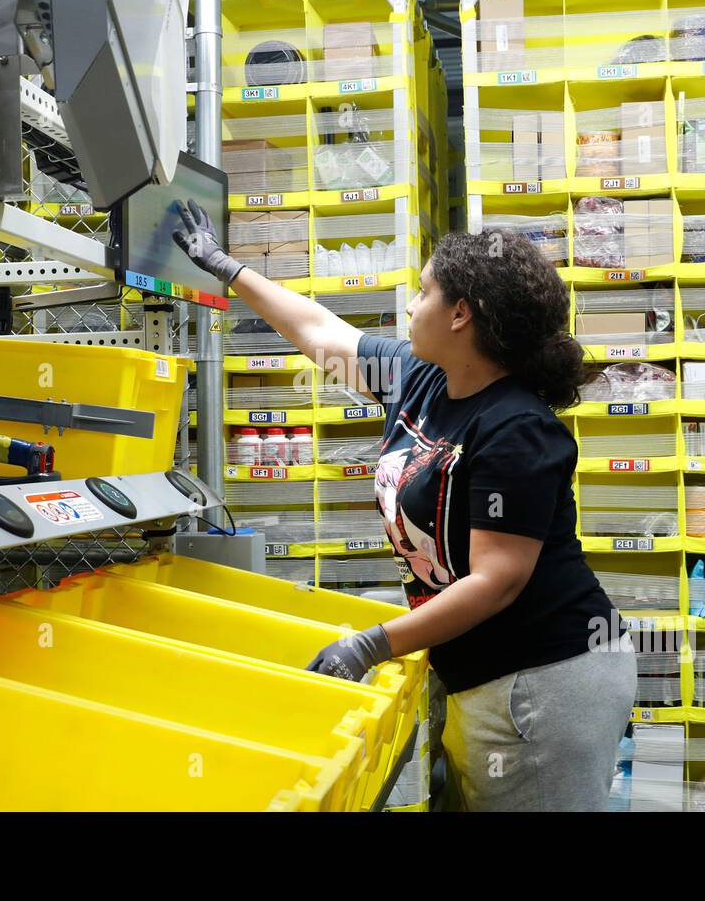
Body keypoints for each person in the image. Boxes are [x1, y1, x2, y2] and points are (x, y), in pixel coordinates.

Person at [173, 200, 637, 811]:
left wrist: (373, 643)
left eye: (423, 293)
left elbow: (497, 581)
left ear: (461, 315)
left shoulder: (517, 428)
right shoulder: (421, 377)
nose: (411, 307)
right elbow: (318, 332)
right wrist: (225, 268)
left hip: (546, 680)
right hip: (482, 673)